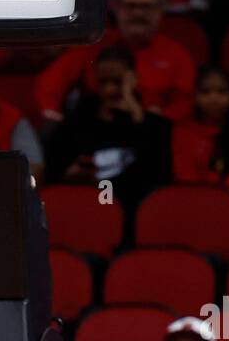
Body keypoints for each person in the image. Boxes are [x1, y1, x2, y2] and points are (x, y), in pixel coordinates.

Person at [37, 0, 196, 123]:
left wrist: (157, 121)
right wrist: (52, 113)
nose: (137, 14)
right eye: (130, 6)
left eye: (146, 7)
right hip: (98, 129)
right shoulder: (94, 44)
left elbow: (185, 102)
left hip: (153, 132)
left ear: (160, 12)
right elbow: (53, 81)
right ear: (118, 10)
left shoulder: (176, 54)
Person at [43, 45, 172, 217]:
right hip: (85, 211)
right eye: (103, 82)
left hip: (133, 214)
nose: (110, 90)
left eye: (118, 82)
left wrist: (137, 116)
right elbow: (53, 172)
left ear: (133, 80)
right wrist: (70, 176)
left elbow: (157, 177)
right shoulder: (77, 123)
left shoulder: (157, 126)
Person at [172, 65, 229, 191]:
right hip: (196, 198)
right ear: (195, 97)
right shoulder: (183, 132)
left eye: (221, 91)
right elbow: (185, 177)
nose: (214, 98)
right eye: (206, 92)